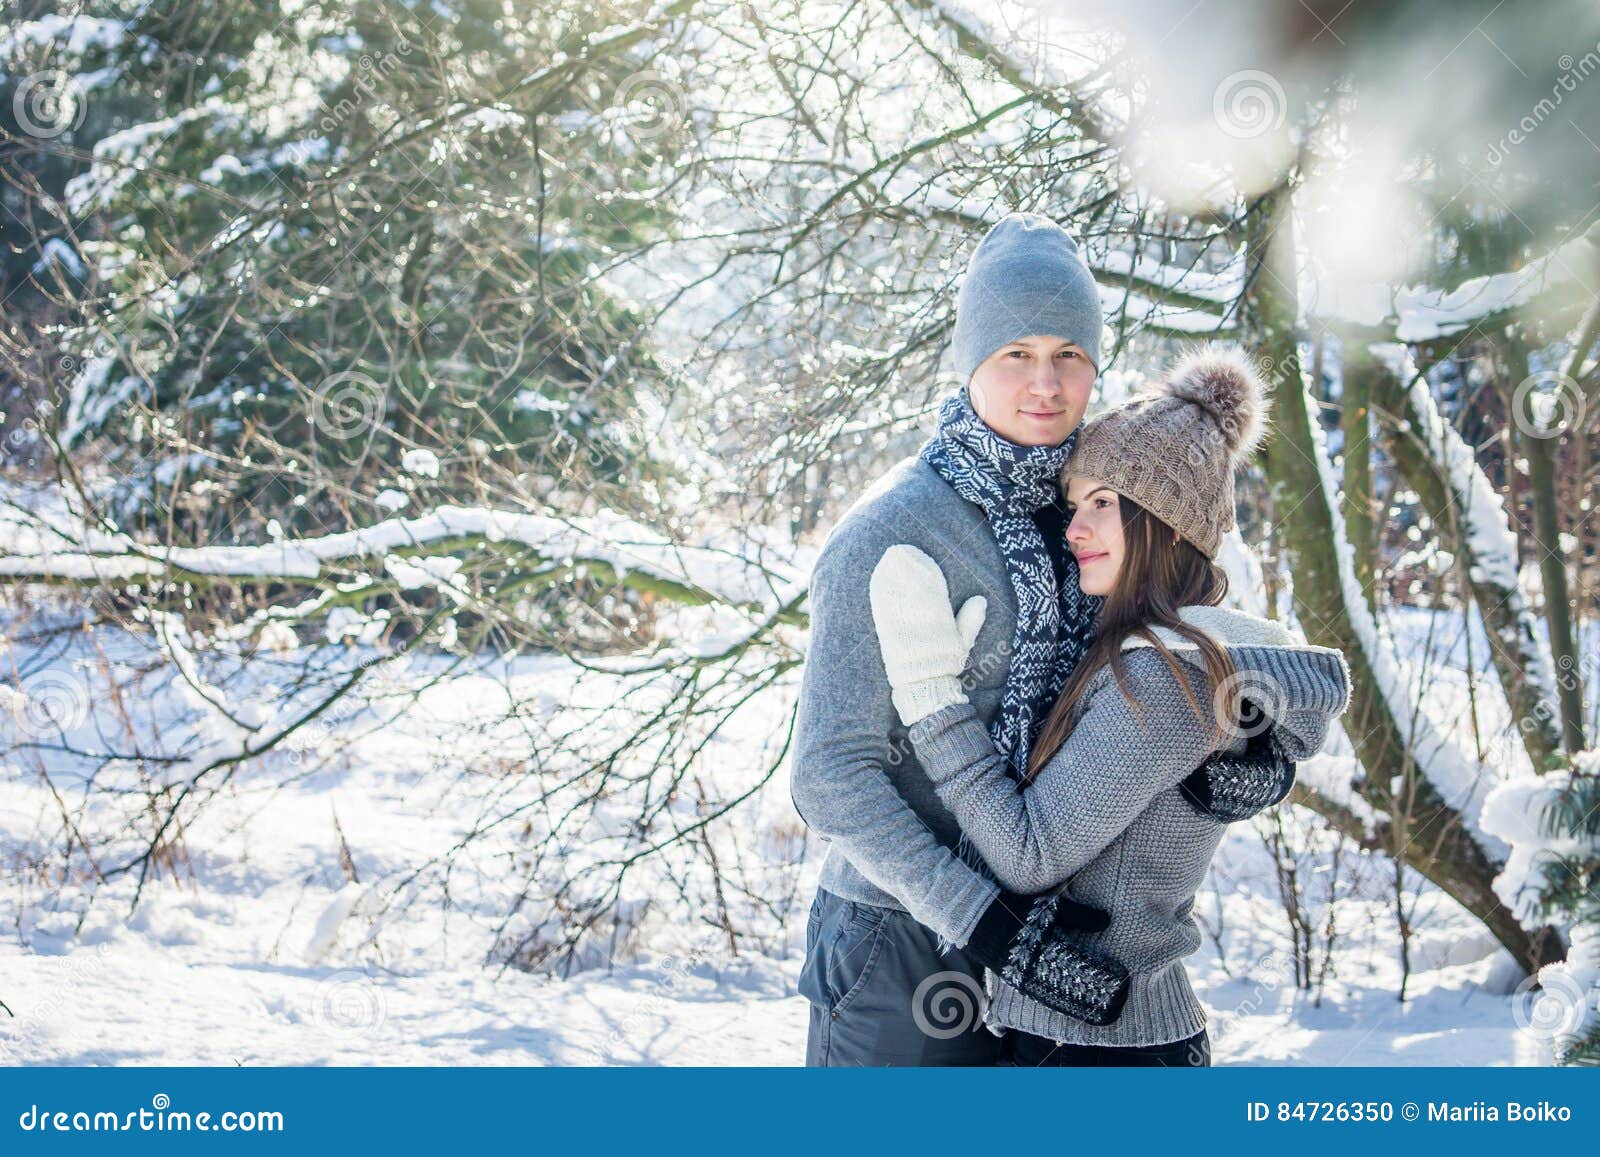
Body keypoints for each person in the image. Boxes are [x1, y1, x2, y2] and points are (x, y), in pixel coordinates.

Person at [789, 210, 1287, 1066]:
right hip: (901, 939)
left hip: (1051, 947)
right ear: (971, 361)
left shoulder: (1098, 508)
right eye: (1015, 353)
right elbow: (828, 776)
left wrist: (1234, 744)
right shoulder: (893, 533)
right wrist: (981, 919)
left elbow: (1163, 653)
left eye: (1069, 355)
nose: (1045, 384)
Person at [866, 345, 1353, 1066]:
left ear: (1168, 522)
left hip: (1099, 1049)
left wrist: (932, 696)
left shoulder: (1162, 673)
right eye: (1074, 504)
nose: (1074, 529)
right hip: (1115, 1038)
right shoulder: (1176, 654)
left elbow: (1030, 853)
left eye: (1103, 504)